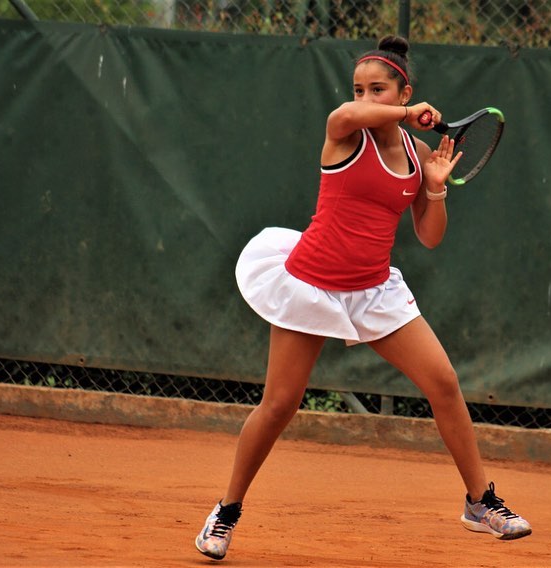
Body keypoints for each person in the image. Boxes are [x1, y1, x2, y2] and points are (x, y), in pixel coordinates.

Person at [195, 35, 532, 561]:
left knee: (443, 382)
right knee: (281, 403)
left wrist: (437, 186)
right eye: (361, 89)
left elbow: (430, 236)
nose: (367, 98)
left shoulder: (420, 157)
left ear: (404, 87)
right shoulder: (345, 134)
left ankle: (480, 502)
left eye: (380, 88)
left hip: (374, 289)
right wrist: (400, 110)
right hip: (311, 282)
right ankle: (226, 512)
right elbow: (344, 113)